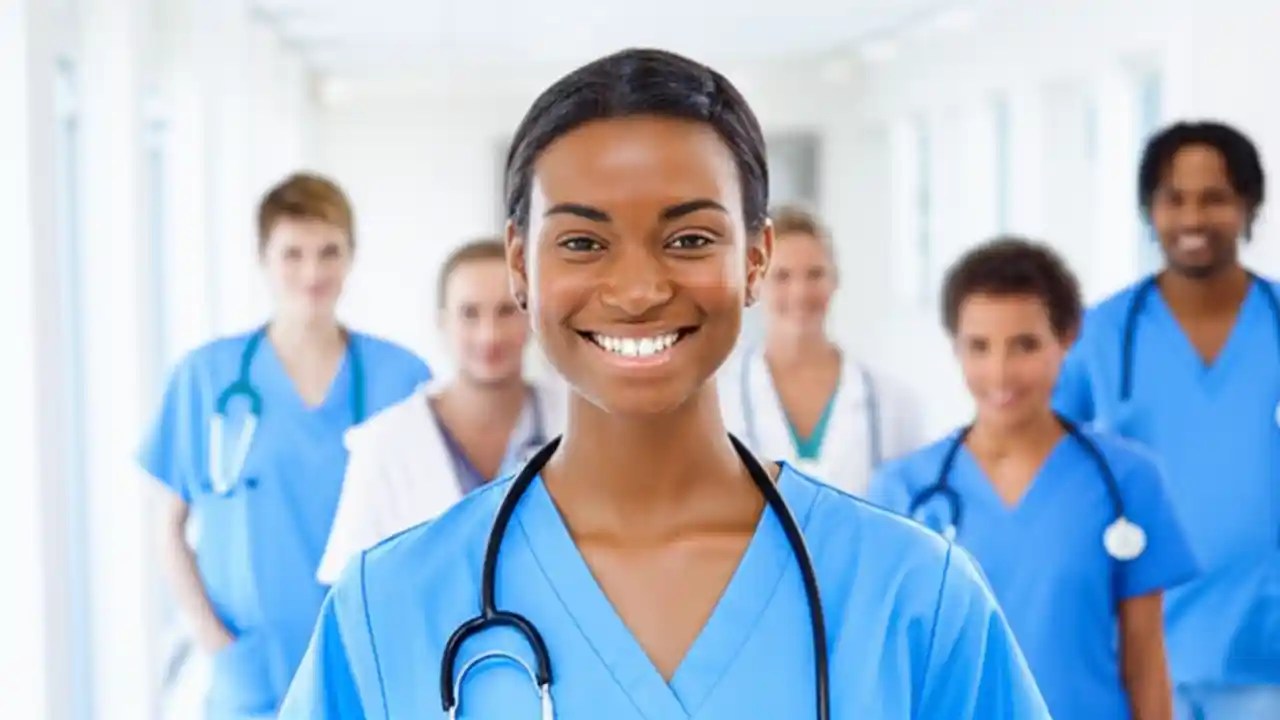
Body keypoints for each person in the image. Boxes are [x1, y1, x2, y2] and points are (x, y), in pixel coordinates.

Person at [278, 48, 1048, 719]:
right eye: (583, 241)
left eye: (689, 239)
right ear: (521, 263)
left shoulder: (914, 599)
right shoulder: (389, 608)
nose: (639, 288)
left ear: (756, 259)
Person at [139, 173, 432, 719]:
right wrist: (215, 641)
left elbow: (432, 530)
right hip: (251, 670)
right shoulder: (208, 378)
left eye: (329, 252)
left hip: (366, 659)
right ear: (263, 258)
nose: (312, 272)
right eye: (292, 253)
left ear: (351, 256)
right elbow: (168, 527)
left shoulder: (403, 378)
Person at [868, 237, 1198, 719]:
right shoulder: (906, 491)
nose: (999, 373)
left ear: (1067, 338)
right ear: (955, 346)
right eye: (979, 347)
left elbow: (1145, 661)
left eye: (1024, 345)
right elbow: (888, 667)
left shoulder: (1127, 480)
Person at [1053, 121, 1280, 718]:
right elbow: (1050, 460)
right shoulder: (1102, 334)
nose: (1193, 219)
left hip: (1265, 647)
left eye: (1214, 198)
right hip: (1144, 642)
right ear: (1149, 209)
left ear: (1249, 205)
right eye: (1174, 199)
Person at [315, 237, 567, 585]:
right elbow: (349, 587)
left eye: (507, 311)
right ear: (442, 323)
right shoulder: (385, 443)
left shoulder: (577, 423)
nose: (488, 335)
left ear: (532, 317)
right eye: (469, 313)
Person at [719, 205, 924, 495]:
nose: (800, 292)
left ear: (835, 280)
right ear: (755, 281)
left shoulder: (893, 403)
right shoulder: (721, 399)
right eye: (782, 276)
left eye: (815, 274)